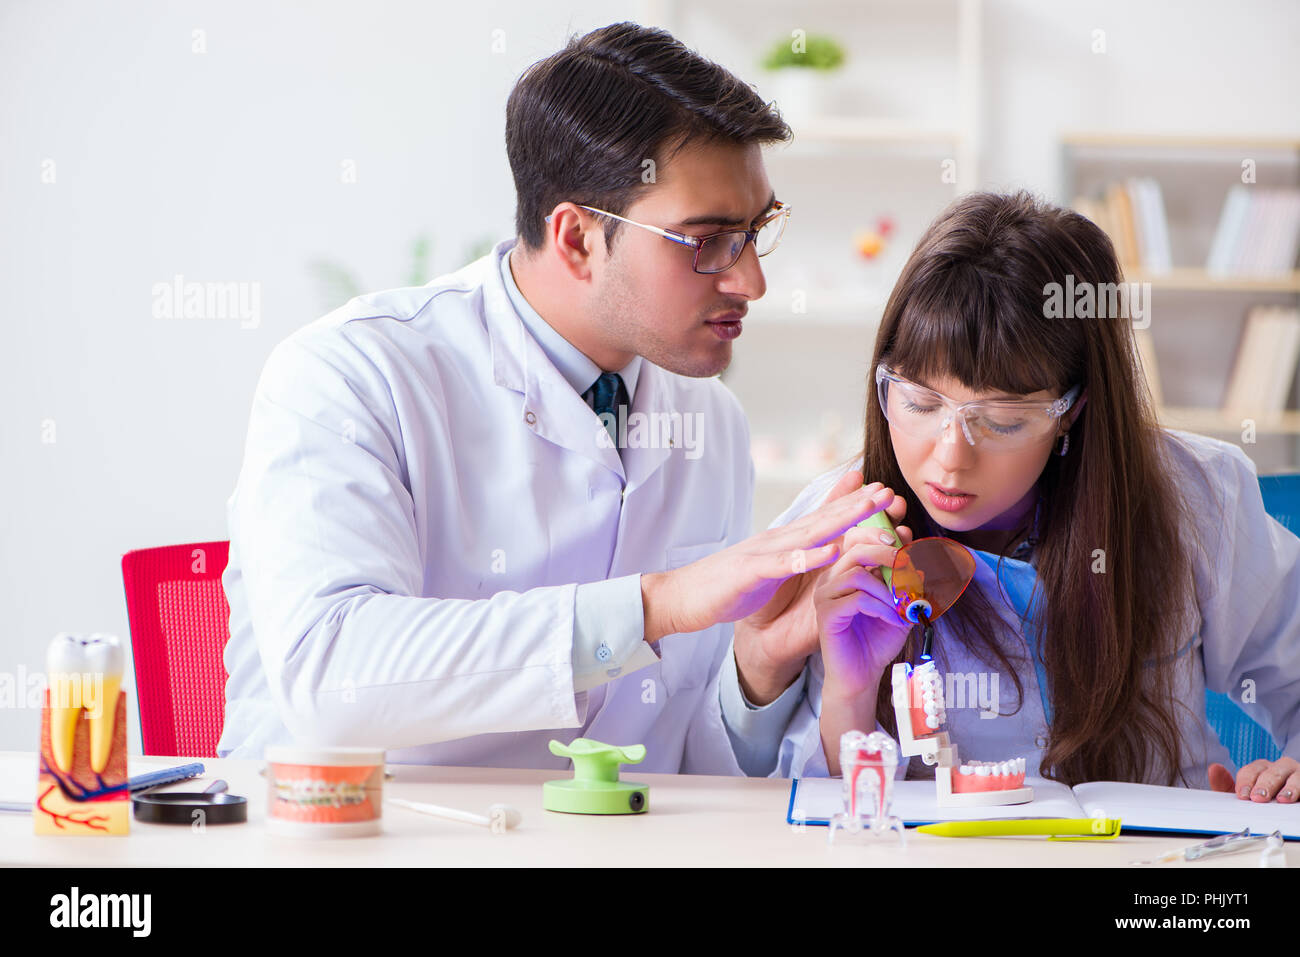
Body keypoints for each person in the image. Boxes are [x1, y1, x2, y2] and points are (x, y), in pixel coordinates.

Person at [216, 21, 899, 771]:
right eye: (707, 240)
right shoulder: (352, 375)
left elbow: (683, 757)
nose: (751, 281)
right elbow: (333, 677)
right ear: (576, 238)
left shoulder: (708, 420)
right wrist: (656, 605)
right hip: (360, 823)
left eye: (755, 229)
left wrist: (757, 670)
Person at [730, 190, 1300, 800]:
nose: (951, 457)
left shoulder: (1198, 493)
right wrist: (850, 692)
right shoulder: (836, 524)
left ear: (1071, 410)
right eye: (920, 404)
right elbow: (787, 793)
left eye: (1001, 421)